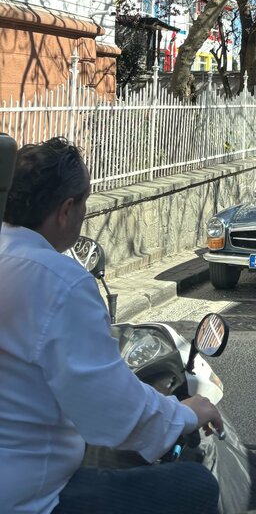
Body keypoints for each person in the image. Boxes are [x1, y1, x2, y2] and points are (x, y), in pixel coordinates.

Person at [0, 138, 223, 514]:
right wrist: (187, 413)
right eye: (84, 204)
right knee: (196, 484)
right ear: (66, 210)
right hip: (33, 495)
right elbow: (116, 412)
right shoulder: (60, 281)